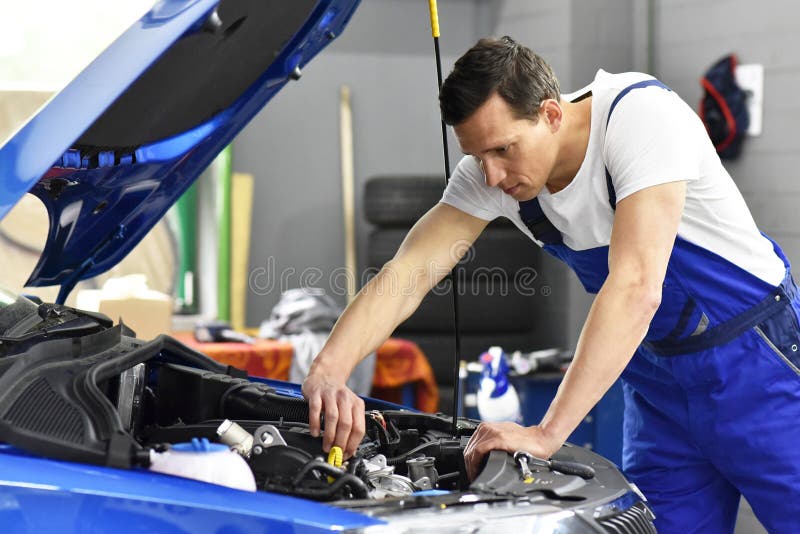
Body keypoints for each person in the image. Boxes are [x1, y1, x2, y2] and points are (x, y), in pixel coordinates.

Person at [302, 36, 800, 532]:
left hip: (756, 367)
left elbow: (636, 288)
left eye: (502, 149)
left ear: (551, 114)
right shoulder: (492, 173)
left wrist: (545, 434)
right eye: (477, 156)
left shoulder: (639, 118)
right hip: (657, 386)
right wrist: (329, 369)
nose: (491, 175)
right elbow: (407, 274)